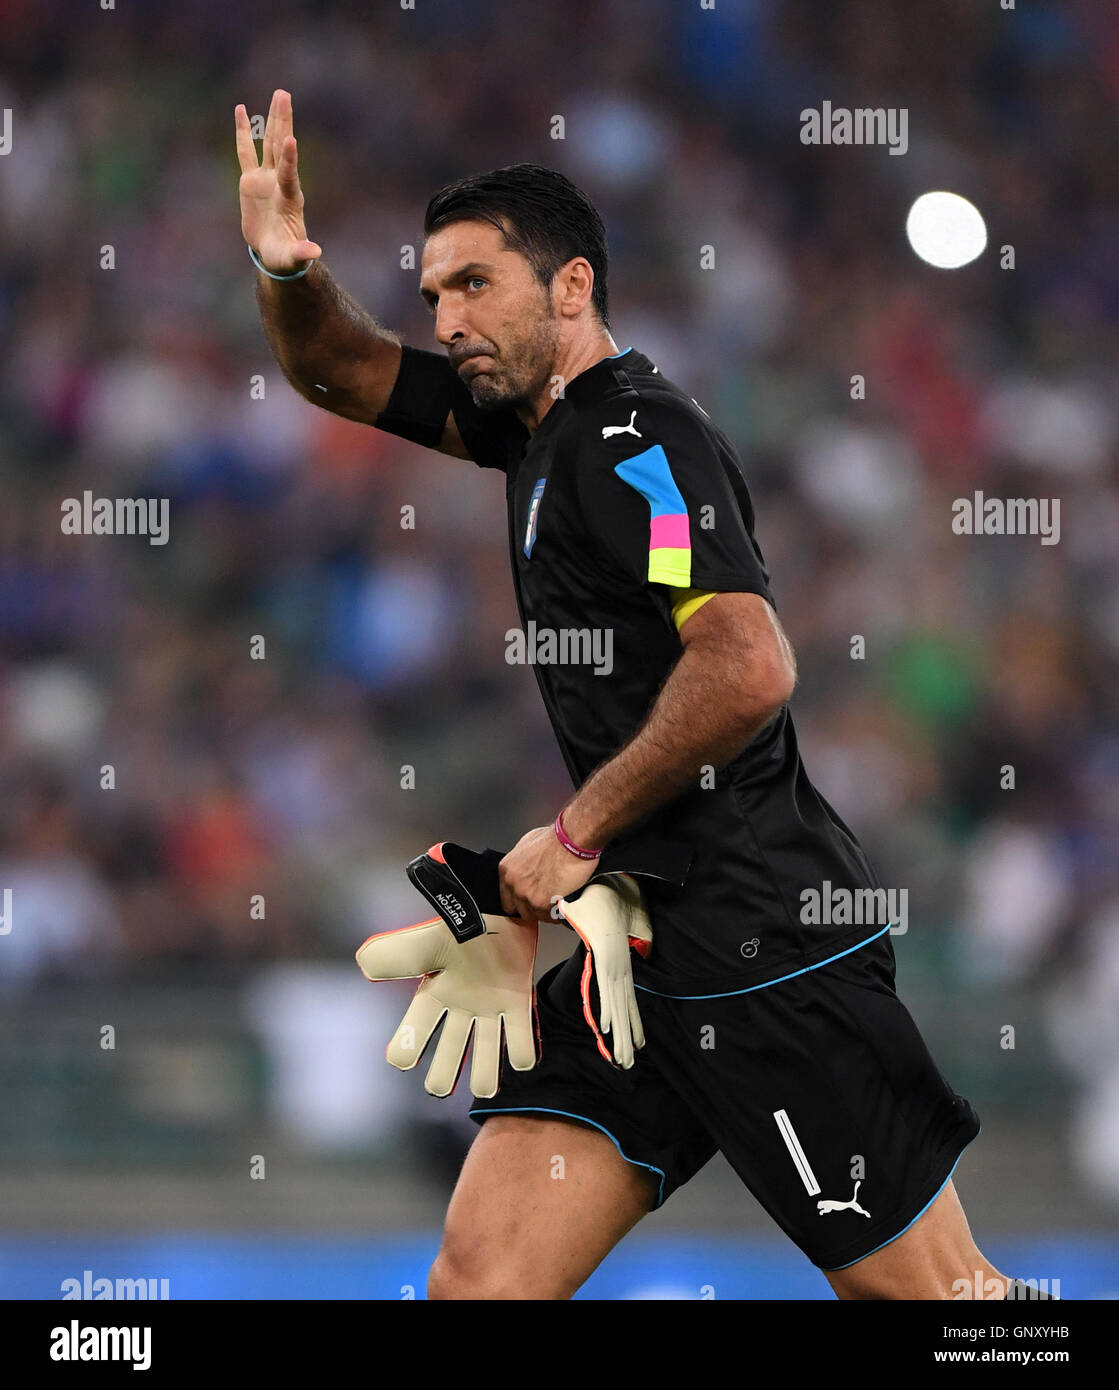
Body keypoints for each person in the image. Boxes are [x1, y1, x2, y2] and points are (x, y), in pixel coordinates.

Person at [235, 89, 1028, 1302]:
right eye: (435, 291)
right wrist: (285, 266)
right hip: (640, 955)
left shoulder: (641, 446)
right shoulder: (530, 431)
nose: (446, 318)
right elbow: (342, 369)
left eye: (475, 287)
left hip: (765, 946)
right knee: (481, 1281)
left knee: (939, 1304)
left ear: (571, 289)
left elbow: (748, 664)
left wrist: (573, 834)